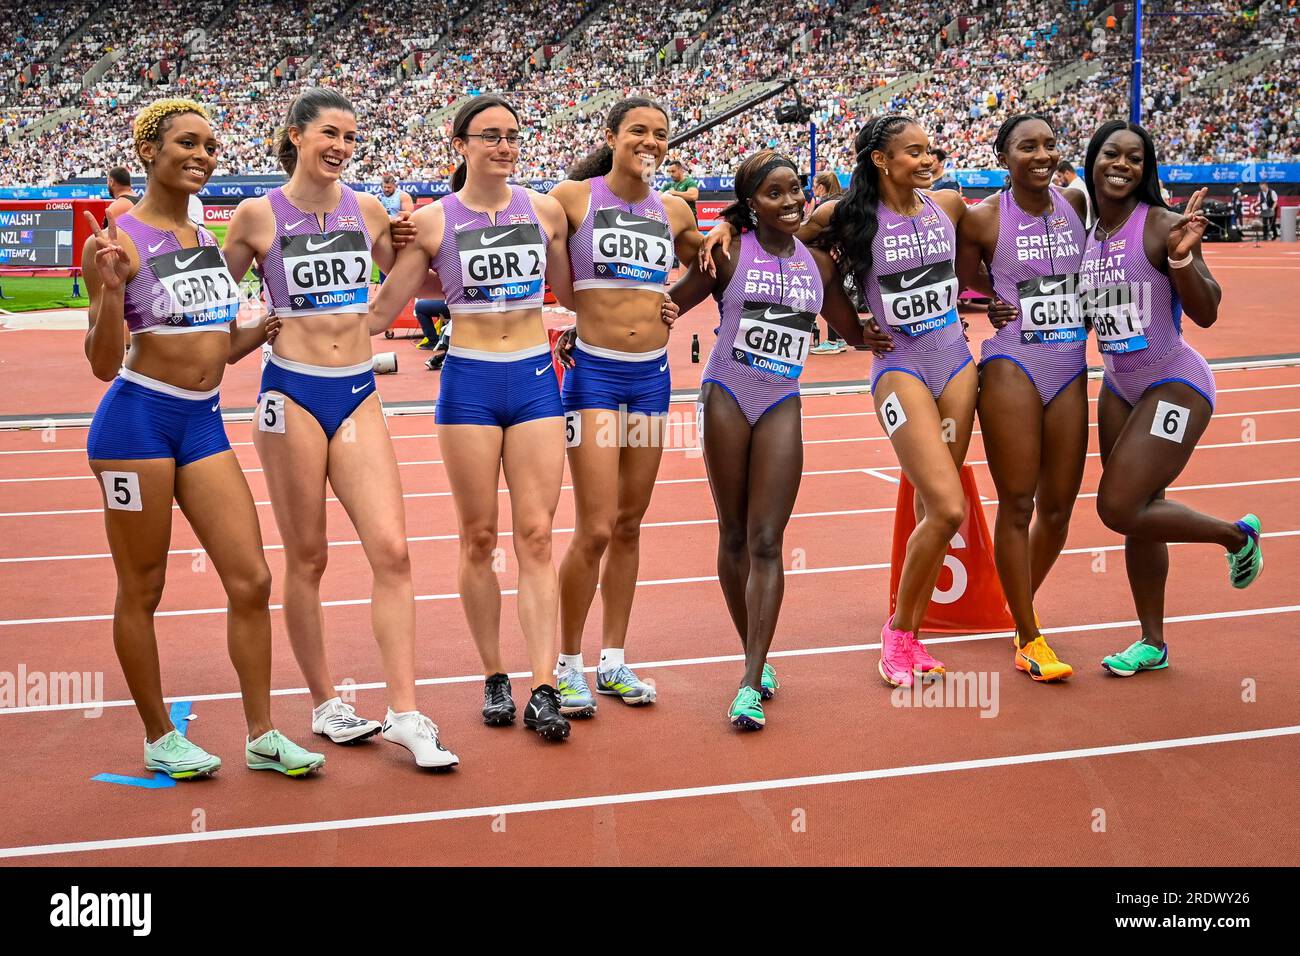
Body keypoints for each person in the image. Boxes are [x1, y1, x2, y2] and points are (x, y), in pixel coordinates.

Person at [82, 97, 324, 778]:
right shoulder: (117, 237)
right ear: (149, 153)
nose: (202, 156)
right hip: (136, 424)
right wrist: (106, 294)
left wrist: (269, 326)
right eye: (186, 143)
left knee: (250, 579)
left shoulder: (204, 240)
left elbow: (213, 346)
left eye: (211, 146)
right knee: (144, 586)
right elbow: (104, 363)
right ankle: (161, 735)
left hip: (202, 421)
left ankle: (262, 733)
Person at [222, 88, 458, 768]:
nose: (342, 147)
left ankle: (407, 714)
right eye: (330, 133)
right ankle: (326, 704)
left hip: (356, 390)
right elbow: (207, 301)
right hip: (289, 394)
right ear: (296, 135)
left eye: (352, 138)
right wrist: (242, 335)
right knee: (310, 557)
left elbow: (408, 278)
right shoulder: (255, 215)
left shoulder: (369, 209)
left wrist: (418, 236)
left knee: (393, 551)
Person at [369, 94, 577, 741]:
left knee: (538, 537)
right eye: (490, 136)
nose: (505, 146)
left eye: (513, 135)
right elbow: (383, 307)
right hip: (469, 387)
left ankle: (544, 684)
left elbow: (572, 294)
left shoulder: (543, 211)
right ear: (460, 144)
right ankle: (494, 674)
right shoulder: (433, 222)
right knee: (480, 537)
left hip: (536, 381)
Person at [668, 150, 879, 729]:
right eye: (775, 193)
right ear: (750, 203)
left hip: (782, 398)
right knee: (733, 532)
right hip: (726, 394)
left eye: (796, 192)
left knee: (767, 539)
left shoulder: (819, 263)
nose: (790, 202)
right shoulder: (731, 253)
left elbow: (853, 334)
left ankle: (749, 677)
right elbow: (671, 304)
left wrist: (916, 328)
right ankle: (751, 653)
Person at [1078, 120, 1263, 677]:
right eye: (1112, 154)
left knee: (1117, 506)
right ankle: (1152, 643)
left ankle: (1238, 535)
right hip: (1118, 384)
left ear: (1146, 170)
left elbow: (1206, 312)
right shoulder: (1087, 234)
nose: (1122, 165)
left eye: (1135, 159)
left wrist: (1183, 259)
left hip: (1174, 382)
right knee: (1140, 514)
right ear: (1093, 161)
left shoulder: (1159, 225)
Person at [547, 97, 701, 717]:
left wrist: (680, 302)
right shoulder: (575, 197)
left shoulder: (673, 209)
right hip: (595, 379)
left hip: (652, 379)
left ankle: (614, 657)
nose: (651, 141)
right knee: (594, 525)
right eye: (638, 130)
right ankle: (567, 663)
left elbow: (715, 262)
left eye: (660, 134)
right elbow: (513, 222)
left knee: (631, 523)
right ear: (611, 136)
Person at [821, 115, 976, 690]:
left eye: (929, 150)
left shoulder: (949, 206)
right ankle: (898, 634)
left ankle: (911, 638)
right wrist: (851, 326)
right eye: (914, 152)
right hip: (900, 367)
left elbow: (998, 239)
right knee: (949, 508)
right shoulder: (849, 219)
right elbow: (783, 234)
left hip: (958, 364)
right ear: (881, 160)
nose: (927, 159)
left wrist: (997, 302)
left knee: (930, 511)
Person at [956, 113, 1090, 682]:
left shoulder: (1076, 204)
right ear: (1004, 156)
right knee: (1018, 504)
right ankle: (1030, 635)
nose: (1041, 155)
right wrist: (991, 302)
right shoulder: (985, 218)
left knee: (1058, 510)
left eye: (1049, 146)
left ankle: (1015, 606)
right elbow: (964, 284)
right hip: (1013, 365)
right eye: (1026, 147)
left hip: (1071, 365)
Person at [809, 171, 847, 354]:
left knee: (829, 297)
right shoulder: (842, 200)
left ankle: (832, 341)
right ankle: (838, 338)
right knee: (838, 296)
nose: (812, 189)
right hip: (842, 255)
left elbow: (815, 231)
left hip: (830, 257)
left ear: (821, 187)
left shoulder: (824, 206)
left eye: (814, 185)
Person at [1055, 159, 1091, 224]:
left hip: (1081, 225)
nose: (1059, 180)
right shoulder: (1080, 182)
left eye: (1059, 176)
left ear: (1067, 173)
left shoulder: (1073, 189)